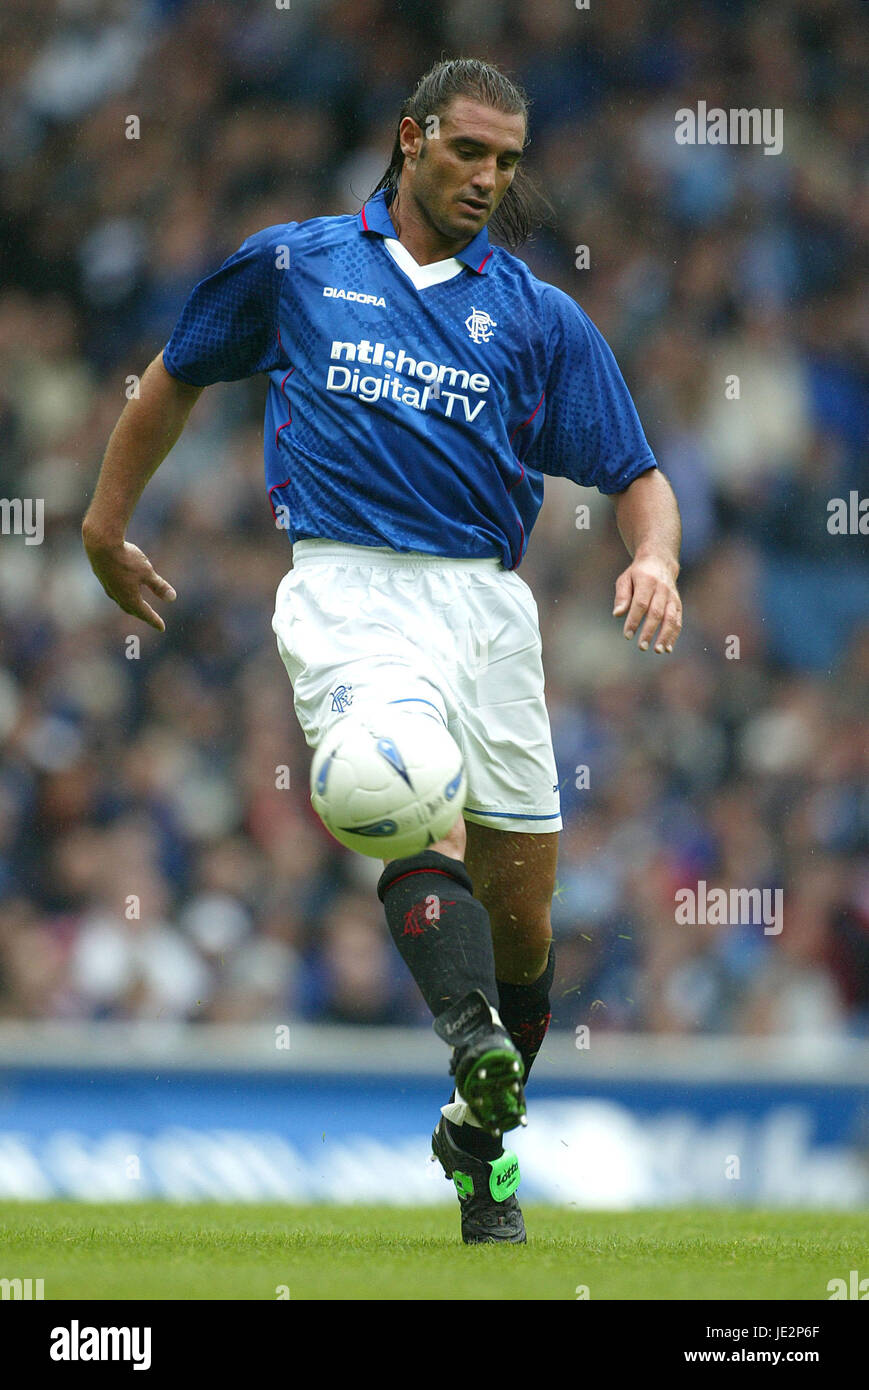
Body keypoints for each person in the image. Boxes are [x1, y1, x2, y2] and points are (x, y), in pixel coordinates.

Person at [82, 58, 682, 1244]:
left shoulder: (533, 313)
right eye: (467, 152)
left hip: (486, 613)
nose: (487, 179)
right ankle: (475, 1047)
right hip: (347, 587)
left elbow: (637, 477)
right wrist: (105, 528)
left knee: (523, 928)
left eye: (506, 163)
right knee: (406, 792)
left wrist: (653, 559)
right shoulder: (298, 263)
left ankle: (477, 1137)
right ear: (410, 141)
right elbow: (169, 381)